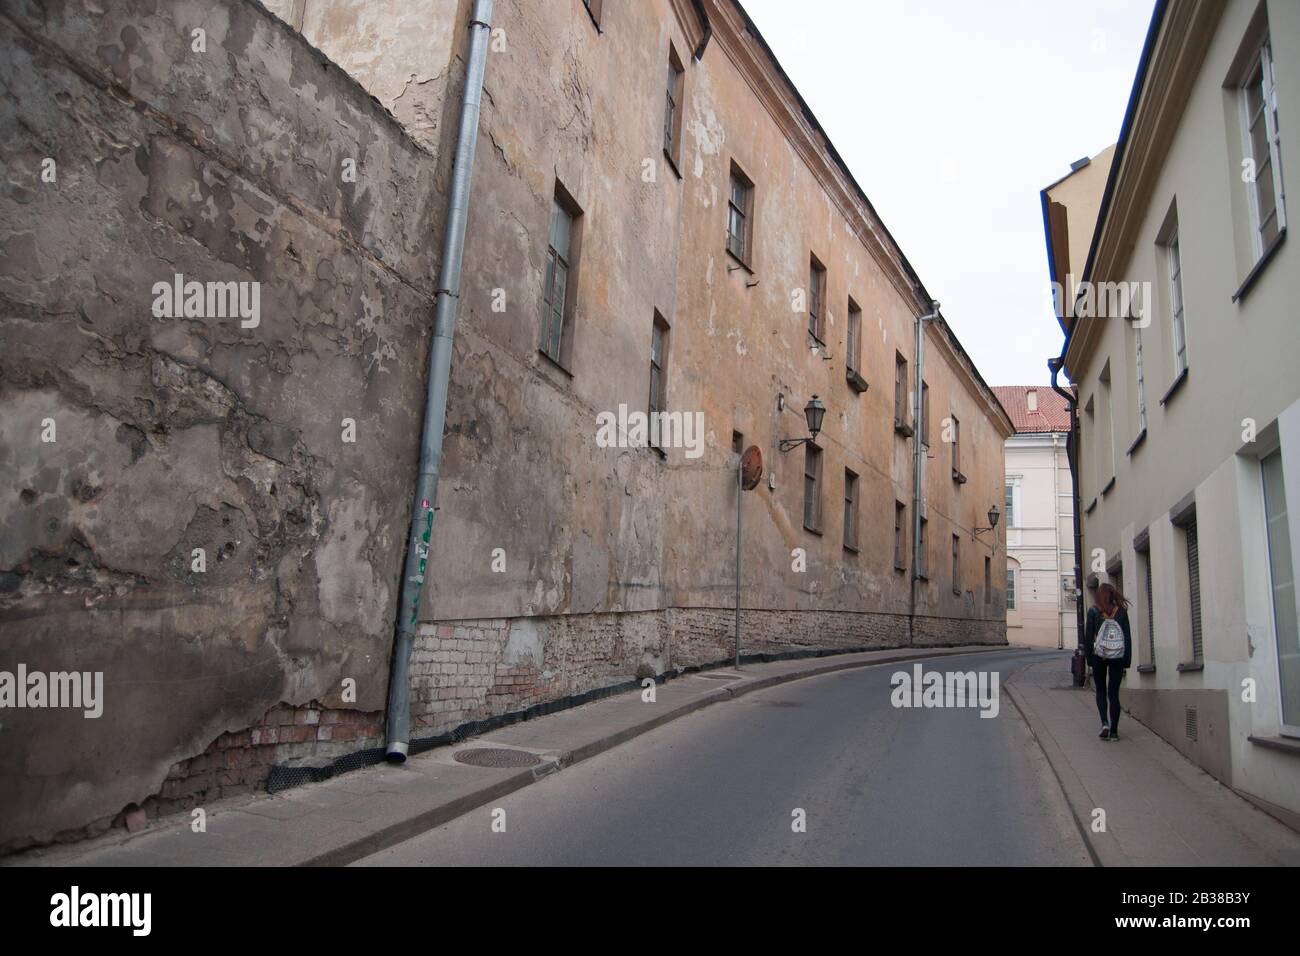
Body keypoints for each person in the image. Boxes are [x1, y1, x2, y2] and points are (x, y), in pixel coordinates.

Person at [1083, 581, 1132, 740]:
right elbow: (1127, 638)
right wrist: (1126, 660)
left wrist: (1089, 659)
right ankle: (1114, 732)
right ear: (1112, 595)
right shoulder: (1121, 612)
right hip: (1117, 656)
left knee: (1101, 691)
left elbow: (1088, 637)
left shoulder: (1093, 611)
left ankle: (1104, 722)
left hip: (1099, 656)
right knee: (1114, 694)